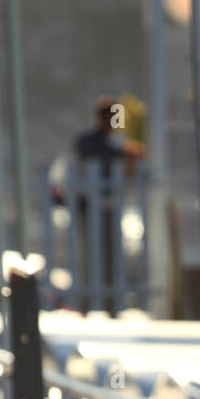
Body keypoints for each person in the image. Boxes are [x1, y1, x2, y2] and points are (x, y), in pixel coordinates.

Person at [71, 95, 146, 315]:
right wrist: (124, 152)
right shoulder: (91, 141)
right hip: (89, 208)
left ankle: (112, 305)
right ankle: (87, 304)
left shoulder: (118, 142)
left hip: (110, 207)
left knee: (112, 253)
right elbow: (90, 151)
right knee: (90, 256)